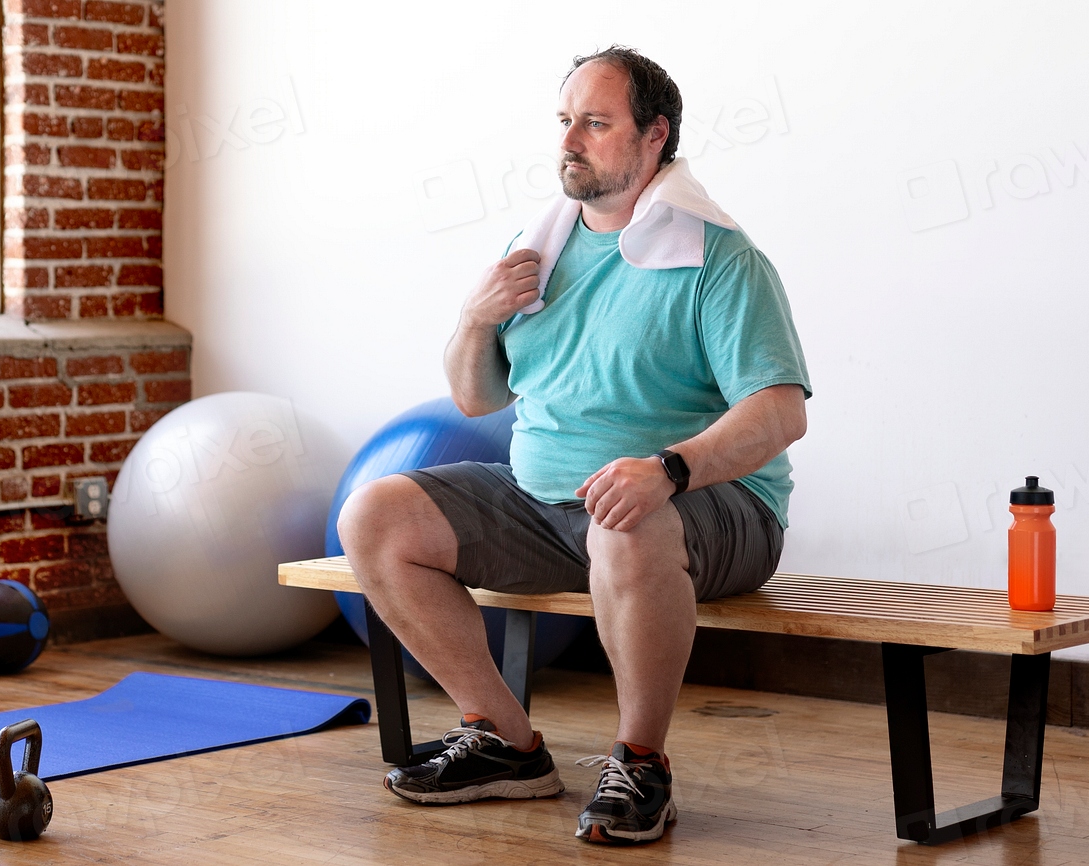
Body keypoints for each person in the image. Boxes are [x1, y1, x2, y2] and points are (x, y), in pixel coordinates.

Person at [337, 46, 811, 845]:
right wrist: (475, 318)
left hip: (709, 509)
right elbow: (477, 397)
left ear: (655, 135)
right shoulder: (539, 249)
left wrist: (668, 470)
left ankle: (640, 763)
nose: (569, 141)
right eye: (564, 121)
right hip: (546, 503)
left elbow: (780, 412)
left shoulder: (719, 258)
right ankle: (505, 741)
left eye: (595, 122)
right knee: (373, 515)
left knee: (626, 521)